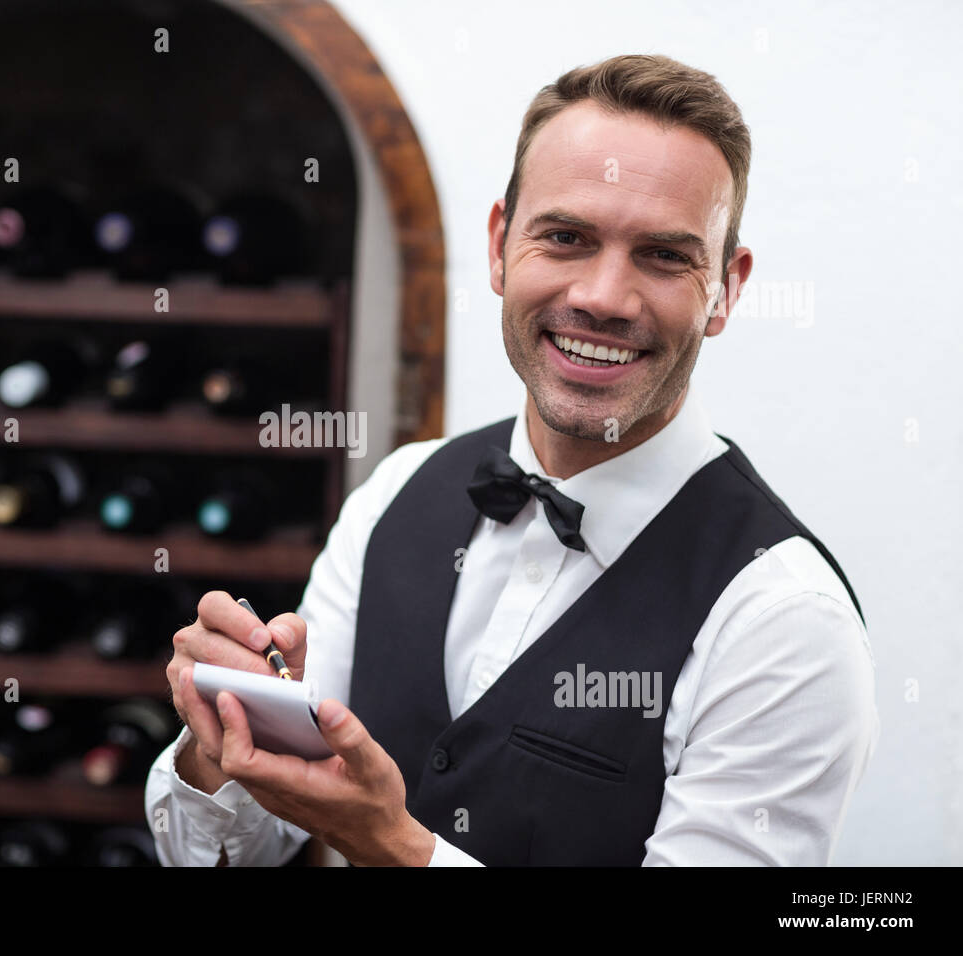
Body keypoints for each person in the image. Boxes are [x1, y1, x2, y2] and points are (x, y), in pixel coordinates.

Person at [144, 53, 878, 866]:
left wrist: (392, 845)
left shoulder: (784, 618)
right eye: (565, 237)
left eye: (665, 256)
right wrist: (221, 751)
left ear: (726, 292)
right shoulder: (396, 493)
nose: (603, 297)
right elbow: (240, 854)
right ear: (500, 246)